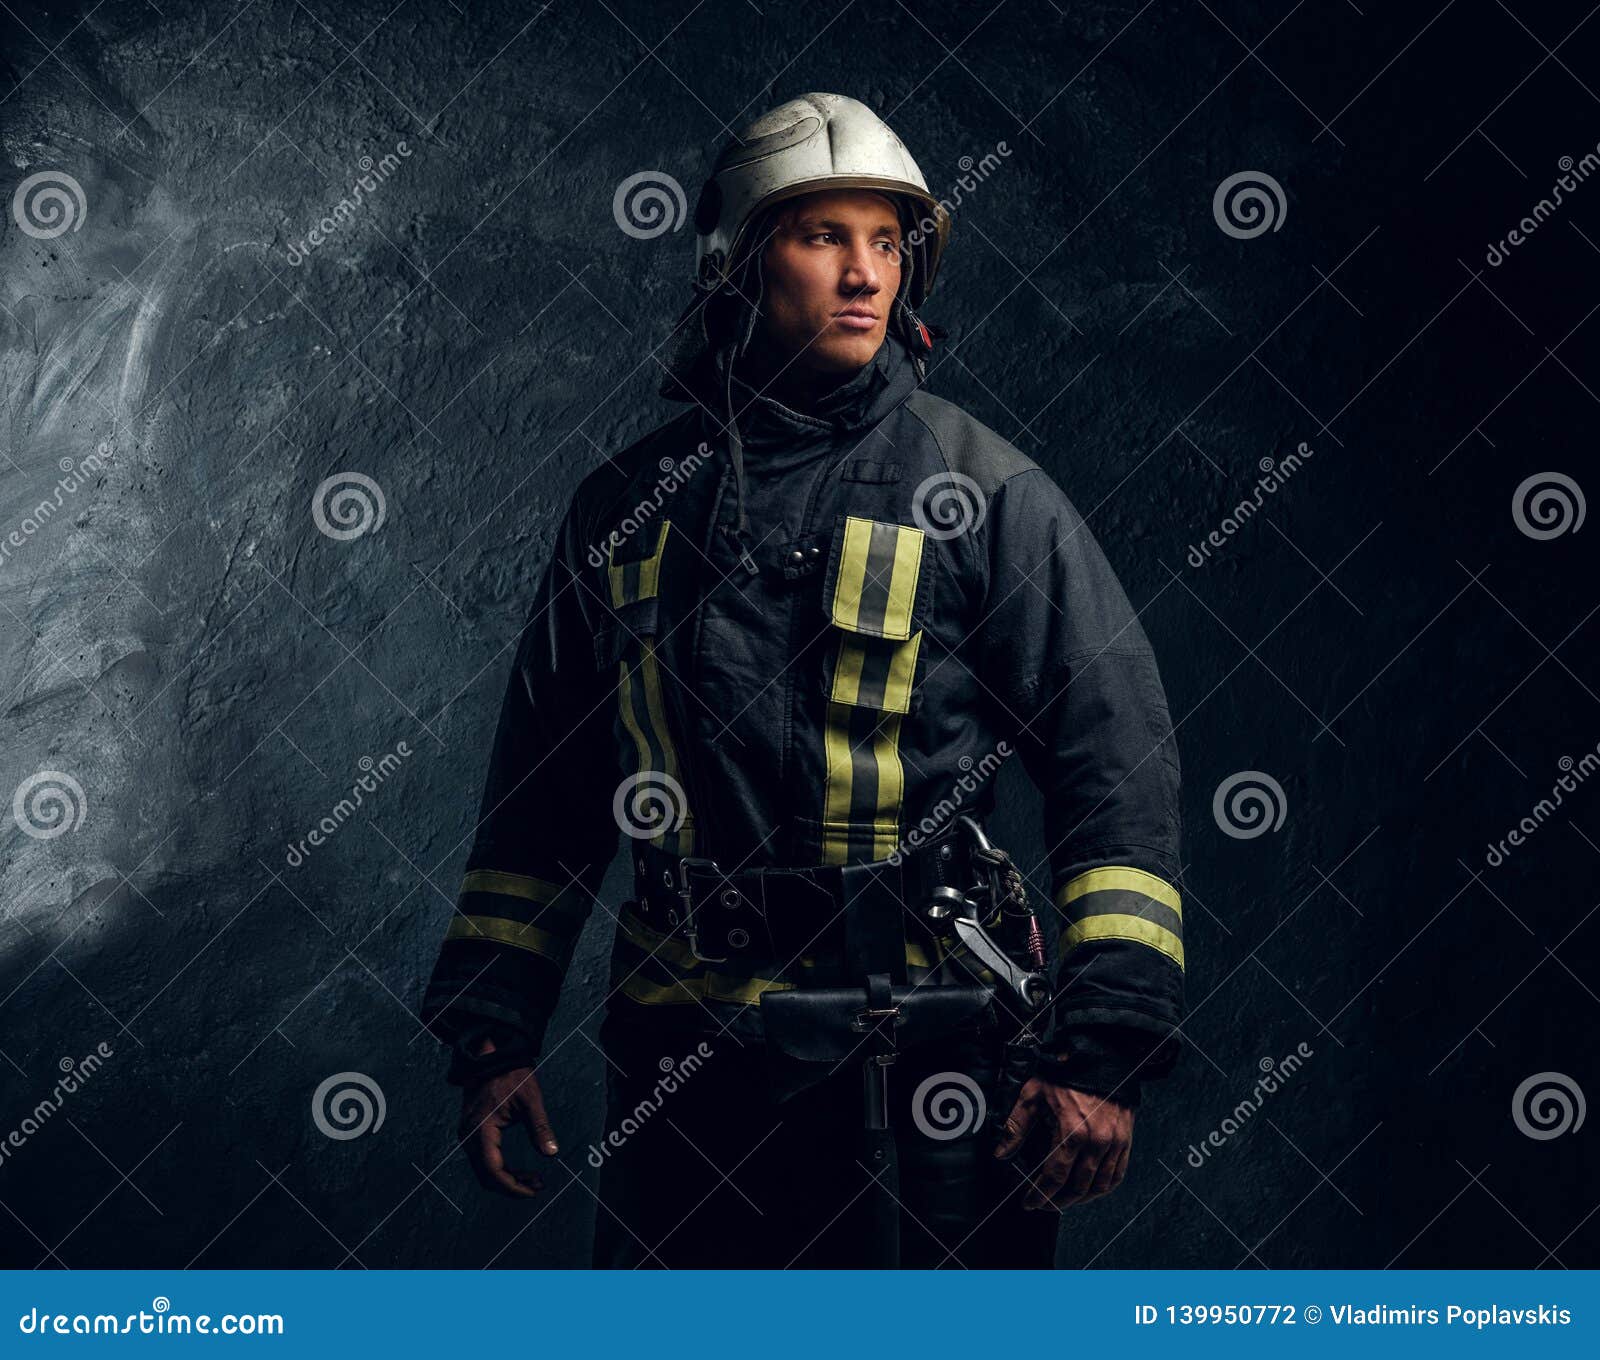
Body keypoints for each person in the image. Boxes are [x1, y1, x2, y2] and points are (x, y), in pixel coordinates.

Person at [417, 92, 1186, 1269]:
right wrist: (491, 1038)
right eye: (823, 234)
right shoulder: (623, 514)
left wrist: (1102, 1051)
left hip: (927, 1062)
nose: (865, 273)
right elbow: (543, 801)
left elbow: (1114, 769)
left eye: (888, 241)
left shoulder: (980, 493)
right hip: (684, 1068)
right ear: (732, 261)